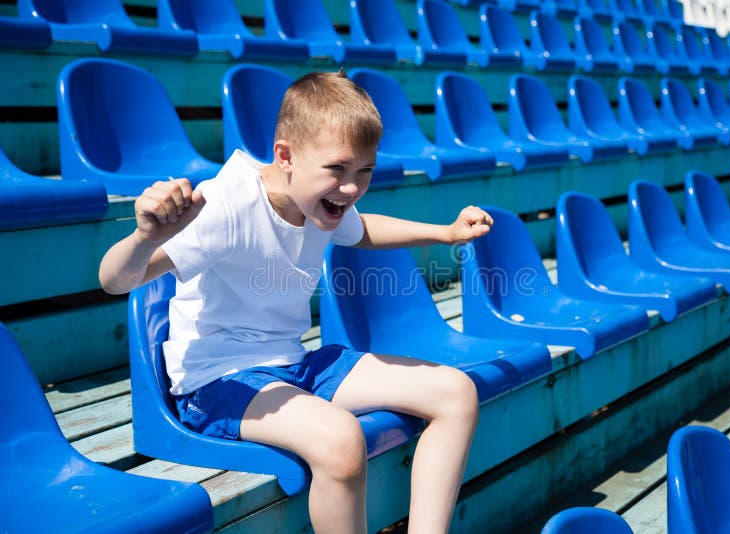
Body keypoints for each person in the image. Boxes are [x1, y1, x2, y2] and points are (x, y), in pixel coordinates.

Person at [99, 71, 494, 534]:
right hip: (219, 381)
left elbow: (362, 230)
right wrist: (146, 236)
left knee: (456, 393)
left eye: (364, 172)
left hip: (293, 364)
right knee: (342, 440)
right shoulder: (224, 206)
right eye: (338, 170)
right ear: (285, 155)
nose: (351, 189)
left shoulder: (320, 202)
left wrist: (444, 233)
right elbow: (115, 280)